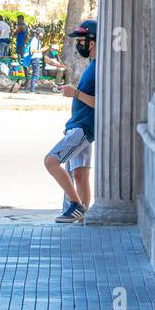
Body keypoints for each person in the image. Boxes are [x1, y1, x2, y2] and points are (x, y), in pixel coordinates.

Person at [43, 19, 96, 224]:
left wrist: (75, 93)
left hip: (82, 129)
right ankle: (84, 214)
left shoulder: (100, 67)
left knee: (51, 161)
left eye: (82, 39)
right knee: (80, 174)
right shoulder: (92, 65)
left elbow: (103, 102)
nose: (79, 44)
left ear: (92, 42)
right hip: (79, 126)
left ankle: (76, 205)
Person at [24, 25, 44, 93]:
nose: (42, 35)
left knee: (36, 75)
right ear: (40, 33)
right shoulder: (34, 40)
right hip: (35, 59)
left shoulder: (37, 40)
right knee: (36, 75)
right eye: (42, 33)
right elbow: (32, 50)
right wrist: (41, 50)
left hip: (36, 59)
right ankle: (31, 90)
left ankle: (31, 89)